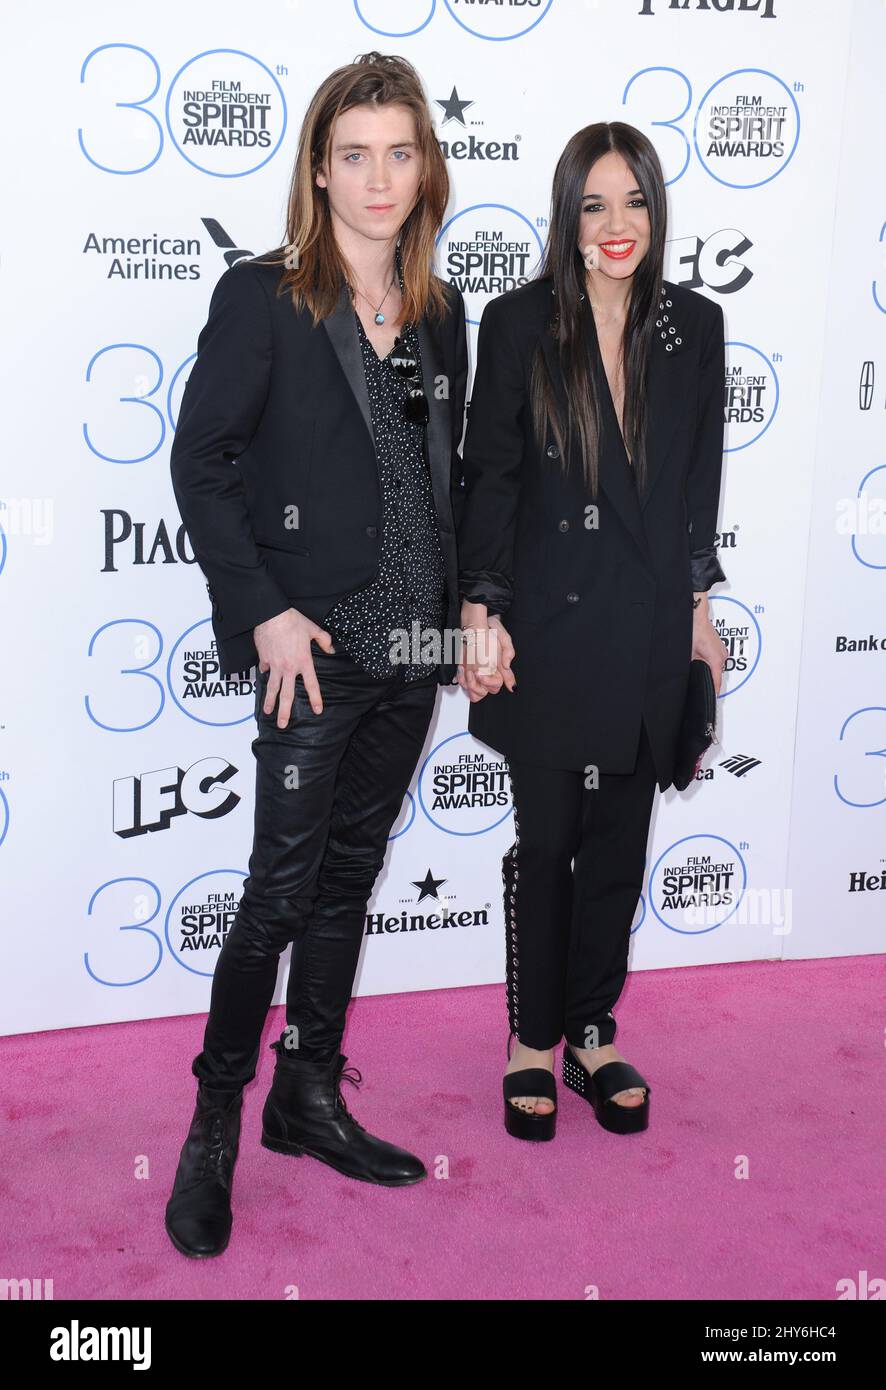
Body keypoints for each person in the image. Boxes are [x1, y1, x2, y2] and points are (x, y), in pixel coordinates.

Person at [166, 51, 467, 1257]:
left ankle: (309, 1092)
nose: (378, 177)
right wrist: (264, 611)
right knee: (279, 893)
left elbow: (448, 483)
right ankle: (210, 1126)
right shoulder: (267, 295)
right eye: (355, 154)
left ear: (425, 166)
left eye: (400, 151)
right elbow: (202, 463)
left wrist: (470, 614)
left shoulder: (441, 311)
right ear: (319, 168)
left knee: (349, 881)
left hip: (413, 645)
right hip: (315, 644)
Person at [456, 122, 728, 1141]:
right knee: (552, 839)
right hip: (550, 628)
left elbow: (696, 485)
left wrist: (699, 610)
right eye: (594, 205)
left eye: (636, 202)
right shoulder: (521, 321)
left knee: (618, 843)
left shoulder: (692, 327)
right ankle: (531, 1040)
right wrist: (480, 611)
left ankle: (589, 1029)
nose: (618, 226)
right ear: (567, 218)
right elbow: (490, 479)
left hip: (651, 625)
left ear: (655, 212)